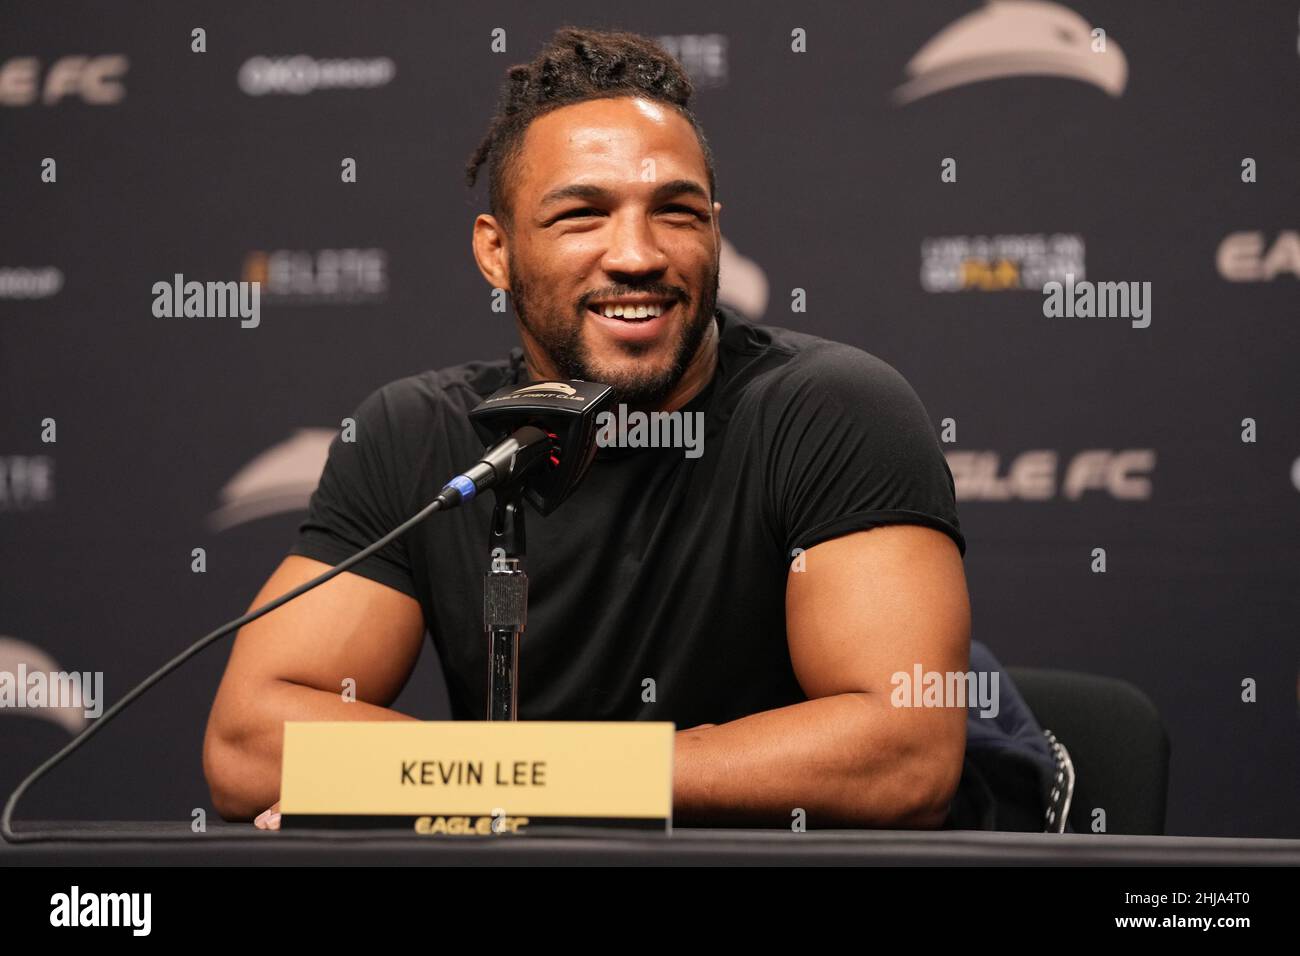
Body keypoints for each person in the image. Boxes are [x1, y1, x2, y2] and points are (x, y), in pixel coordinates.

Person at [203, 26, 1057, 832]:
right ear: (495, 252)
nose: (639, 254)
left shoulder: (834, 408)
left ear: (716, 229)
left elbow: (901, 757)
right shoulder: (419, 433)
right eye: (582, 215)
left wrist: (489, 786)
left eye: (678, 211)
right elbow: (248, 743)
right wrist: (525, 789)